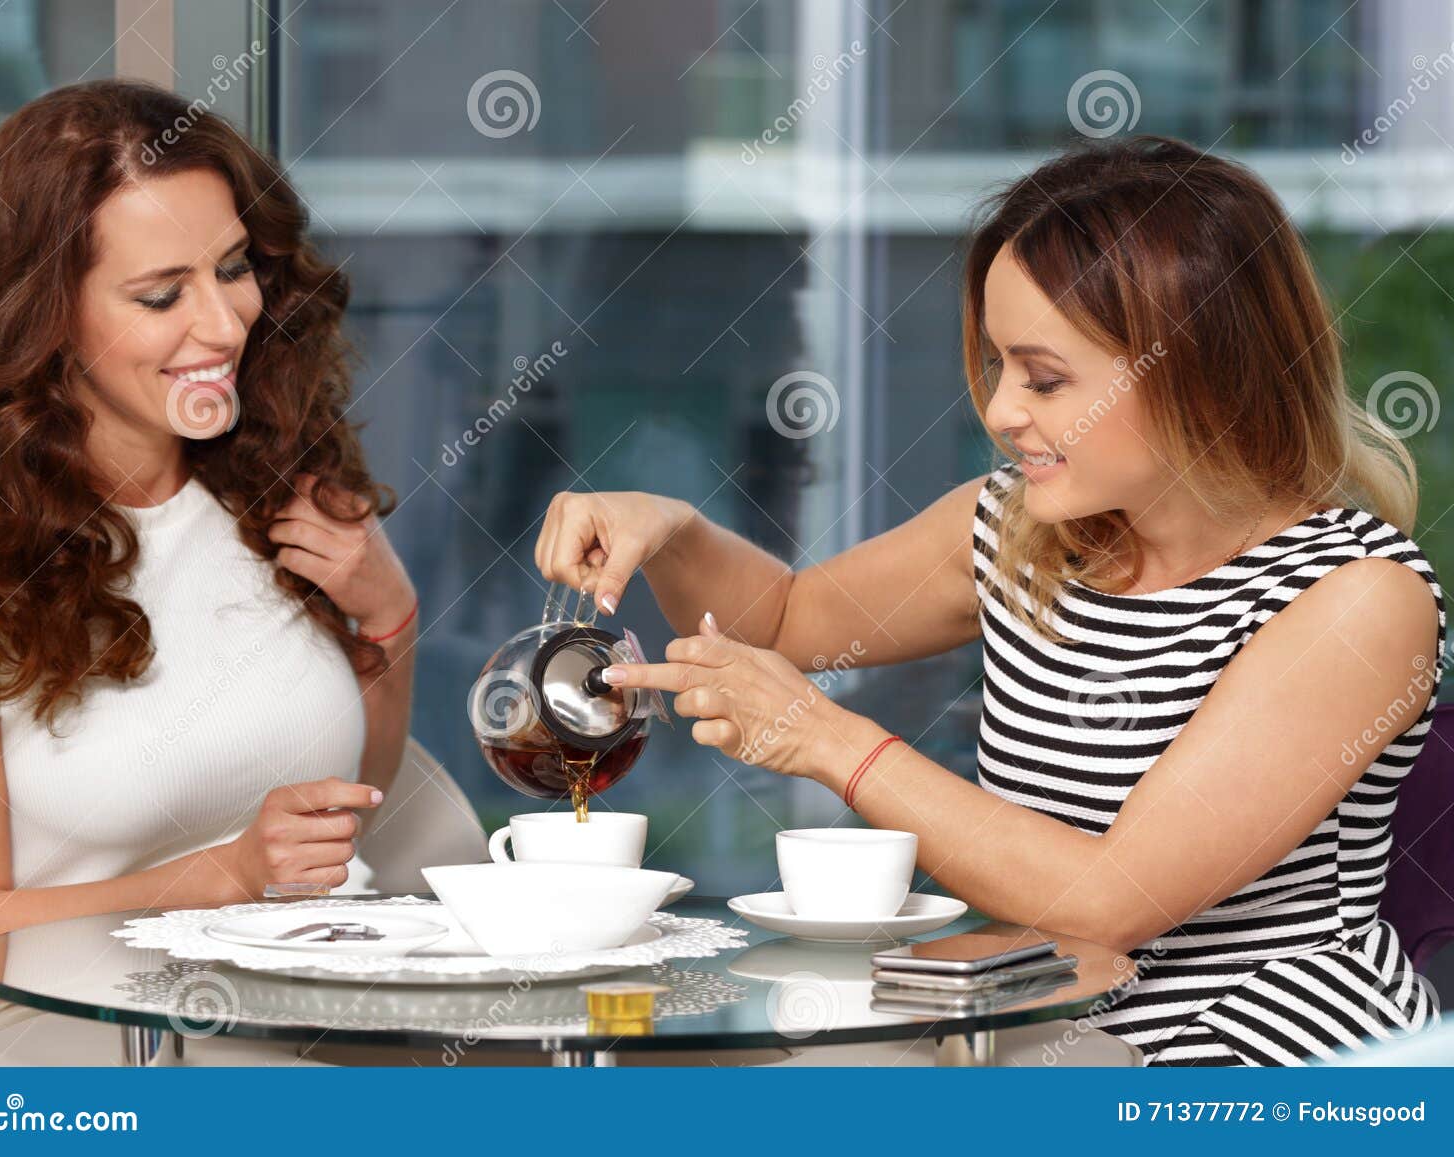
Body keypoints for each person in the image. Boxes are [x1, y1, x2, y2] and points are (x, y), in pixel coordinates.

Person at [534, 135, 1443, 1066]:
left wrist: (825, 738)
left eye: (1044, 378)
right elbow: (784, 622)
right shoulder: (1021, 529)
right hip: (1047, 1027)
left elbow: (1111, 899)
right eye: (1001, 366)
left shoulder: (1358, 599)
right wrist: (674, 530)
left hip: (1277, 1055)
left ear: (1195, 371)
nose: (1002, 410)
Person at [0, 79, 419, 1037]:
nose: (224, 324)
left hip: (325, 1032)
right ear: (50, 319)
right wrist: (225, 877)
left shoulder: (281, 478)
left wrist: (388, 615)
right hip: (95, 1063)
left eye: (234, 268)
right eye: (162, 294)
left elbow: (358, 789)